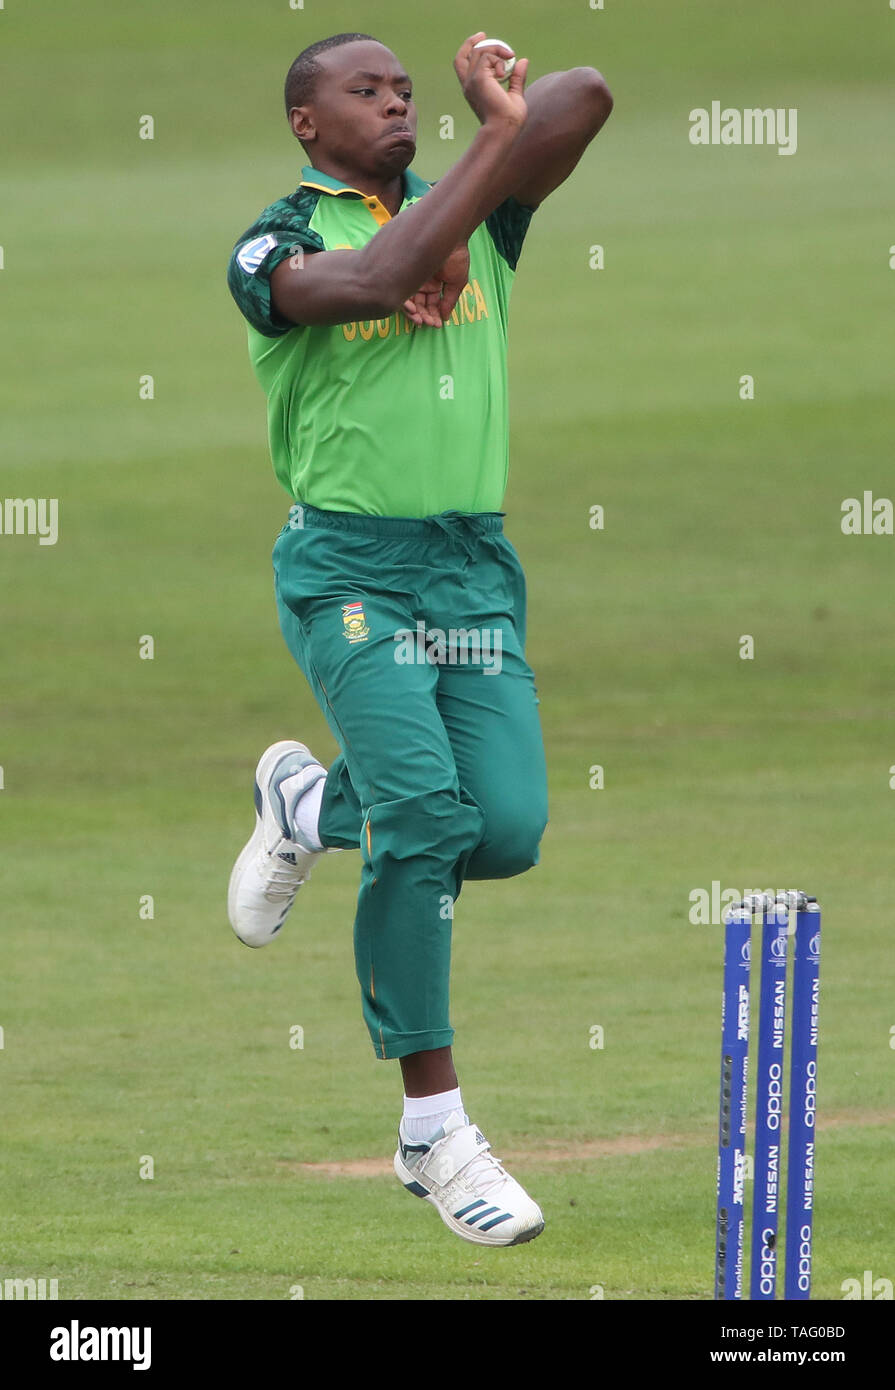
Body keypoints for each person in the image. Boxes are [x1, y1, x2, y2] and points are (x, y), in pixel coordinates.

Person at [226, 30, 612, 1246]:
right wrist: (467, 185)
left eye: (406, 91)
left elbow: (583, 96)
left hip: (470, 567)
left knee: (500, 829)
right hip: (349, 568)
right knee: (430, 818)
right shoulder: (274, 242)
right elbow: (374, 283)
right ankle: (433, 1131)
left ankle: (309, 808)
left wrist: (492, 121)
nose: (395, 104)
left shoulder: (476, 219)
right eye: (365, 91)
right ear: (306, 121)